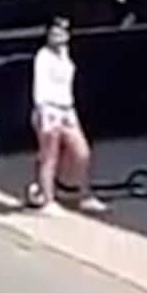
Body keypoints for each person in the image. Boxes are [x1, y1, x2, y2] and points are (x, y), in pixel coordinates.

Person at [27, 17, 108, 215]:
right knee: (49, 156)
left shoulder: (66, 53)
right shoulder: (43, 57)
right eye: (54, 33)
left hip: (67, 108)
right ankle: (48, 200)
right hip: (49, 109)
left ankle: (82, 195)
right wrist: (44, 113)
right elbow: (40, 87)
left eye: (62, 32)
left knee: (81, 153)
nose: (59, 37)